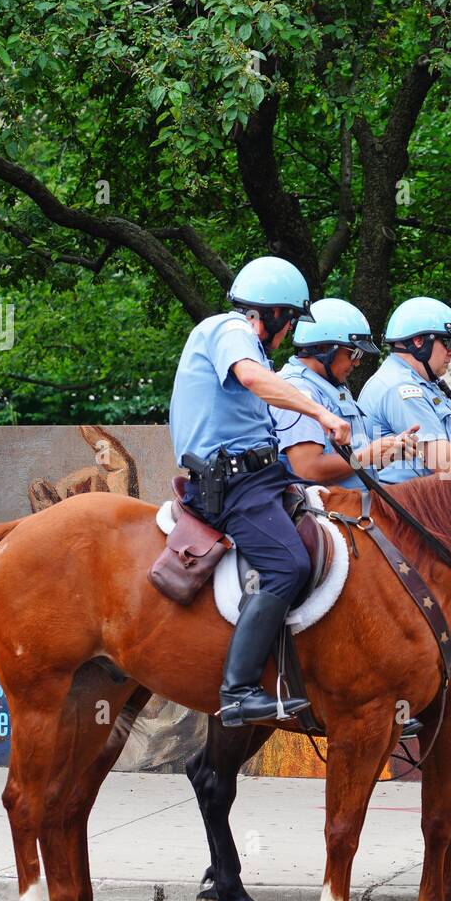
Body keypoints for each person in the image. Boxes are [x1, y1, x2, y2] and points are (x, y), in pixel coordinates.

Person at [169, 256, 352, 728]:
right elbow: (251, 377)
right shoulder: (229, 330)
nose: (290, 332)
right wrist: (323, 415)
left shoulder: (251, 346)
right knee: (288, 564)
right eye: (290, 320)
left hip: (263, 477)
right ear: (271, 314)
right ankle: (238, 691)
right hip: (233, 485)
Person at [271, 298, 420, 487]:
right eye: (354, 353)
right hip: (326, 513)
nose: (357, 362)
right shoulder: (299, 391)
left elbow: (351, 467)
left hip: (354, 510)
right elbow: (309, 470)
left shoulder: (332, 386)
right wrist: (368, 455)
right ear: (324, 348)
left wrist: (387, 452)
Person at [358, 296, 451, 482]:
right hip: (404, 506)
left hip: (422, 503)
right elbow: (442, 461)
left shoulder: (426, 384)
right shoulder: (400, 387)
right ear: (420, 341)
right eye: (448, 343)